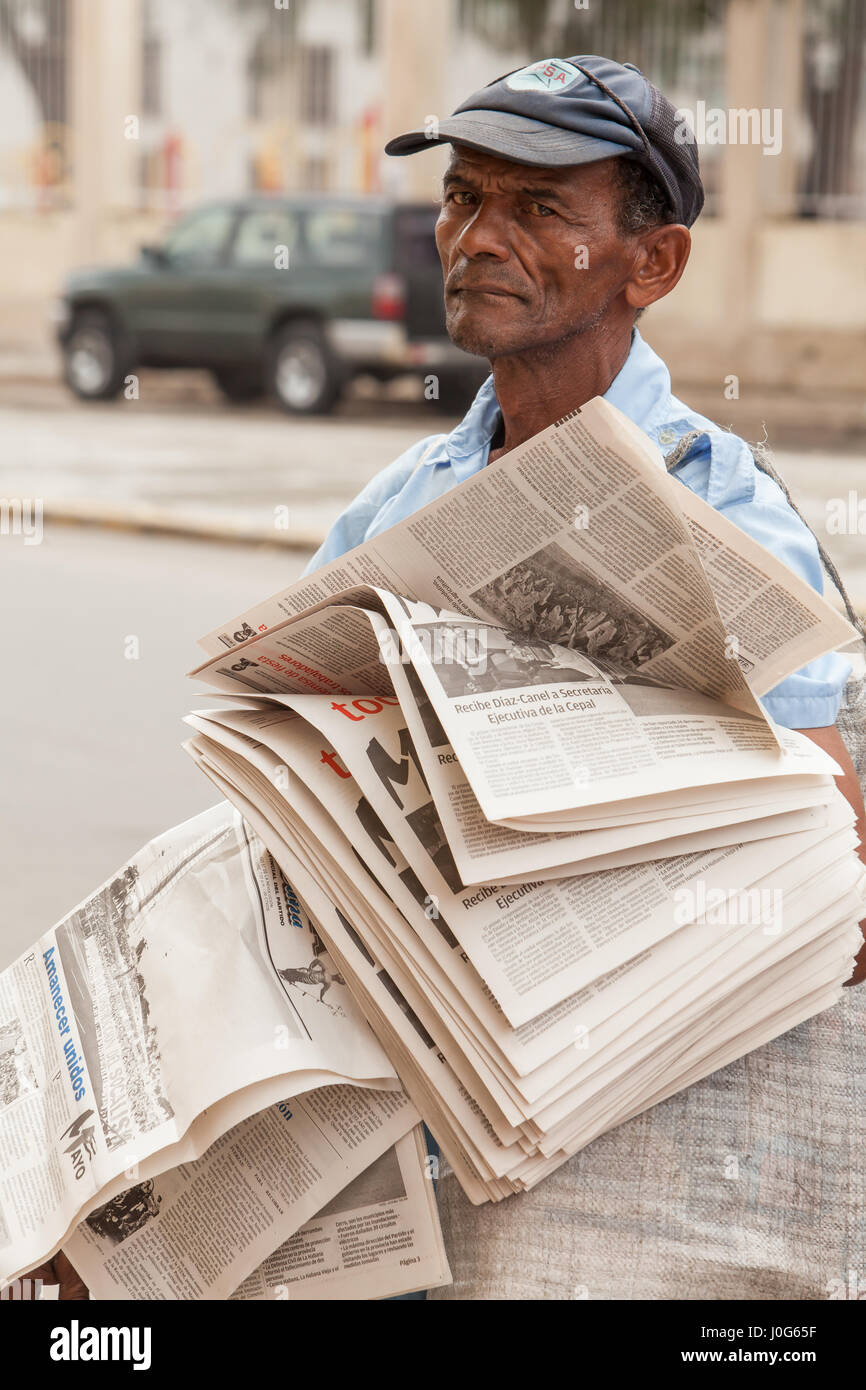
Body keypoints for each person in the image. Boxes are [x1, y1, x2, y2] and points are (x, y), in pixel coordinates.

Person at [304, 54, 865, 991]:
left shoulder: (722, 506)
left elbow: (837, 882)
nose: (477, 238)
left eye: (539, 210)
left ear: (655, 263)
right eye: (463, 197)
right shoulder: (405, 495)